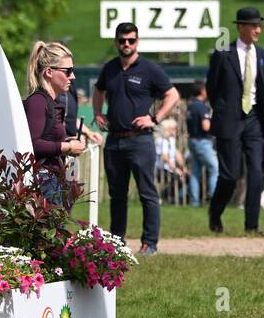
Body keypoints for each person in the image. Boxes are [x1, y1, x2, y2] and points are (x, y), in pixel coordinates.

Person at [93, 22, 180, 256]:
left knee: (147, 193)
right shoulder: (109, 68)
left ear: (137, 41)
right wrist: (98, 113)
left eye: (131, 40)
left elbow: (172, 95)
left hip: (140, 140)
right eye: (122, 40)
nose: (126, 44)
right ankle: (117, 243)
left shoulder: (149, 69)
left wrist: (155, 118)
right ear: (116, 42)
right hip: (114, 140)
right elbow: (98, 90)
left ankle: (149, 243)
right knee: (116, 194)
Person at [205, 6, 264, 236]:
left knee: (256, 172)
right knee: (230, 175)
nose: (258, 30)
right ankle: (215, 212)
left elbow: (262, 87)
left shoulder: (261, 54)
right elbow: (211, 87)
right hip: (230, 118)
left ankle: (252, 225)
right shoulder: (223, 53)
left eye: (259, 25)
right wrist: (223, 109)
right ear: (241, 27)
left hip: (254, 117)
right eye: (254, 25)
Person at [23, 41, 86, 204]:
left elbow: (49, 140)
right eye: (68, 71)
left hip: (53, 178)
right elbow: (33, 144)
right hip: (43, 180)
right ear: (49, 72)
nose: (73, 76)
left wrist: (69, 142)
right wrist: (67, 147)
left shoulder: (52, 102)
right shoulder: (38, 101)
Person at [185, 82, 218, 207]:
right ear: (202, 91)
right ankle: (214, 200)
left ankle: (194, 202)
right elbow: (206, 126)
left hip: (192, 140)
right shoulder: (202, 107)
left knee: (195, 172)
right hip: (202, 142)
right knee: (215, 169)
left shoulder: (191, 106)